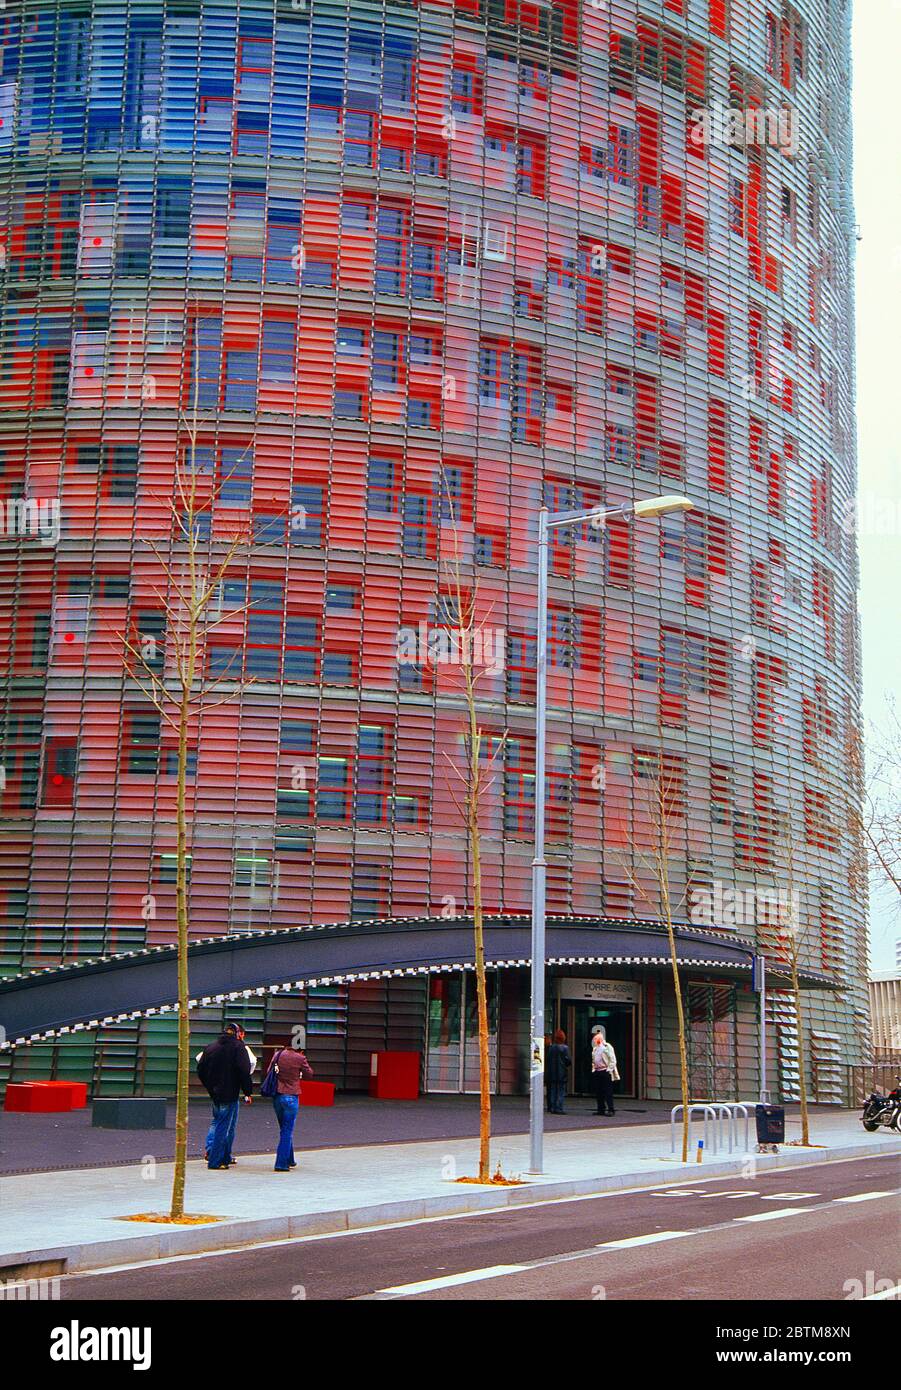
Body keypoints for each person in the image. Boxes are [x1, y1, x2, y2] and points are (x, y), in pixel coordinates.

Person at [198, 1024, 257, 1166]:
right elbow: (244, 1071)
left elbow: (201, 1069)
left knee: (217, 1121)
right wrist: (247, 1092)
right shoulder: (239, 1048)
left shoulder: (211, 1047)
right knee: (225, 1126)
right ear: (238, 1034)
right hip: (230, 1092)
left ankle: (215, 1153)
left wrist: (210, 1087)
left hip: (215, 1093)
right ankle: (217, 1159)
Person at [263, 1040, 314, 1172]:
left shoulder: (278, 1054)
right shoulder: (300, 1058)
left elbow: (269, 1071)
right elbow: (309, 1074)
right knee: (287, 1130)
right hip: (291, 1095)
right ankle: (281, 1164)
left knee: (284, 1128)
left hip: (278, 1095)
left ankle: (289, 1159)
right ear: (300, 1050)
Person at [591, 1026, 619, 1117]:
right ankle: (601, 1109)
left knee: (607, 1091)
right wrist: (594, 1069)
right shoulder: (595, 1049)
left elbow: (613, 1060)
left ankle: (611, 1109)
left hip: (605, 1071)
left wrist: (608, 1069)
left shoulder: (607, 1047)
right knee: (599, 1091)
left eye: (597, 1039)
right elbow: (594, 1059)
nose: (595, 1040)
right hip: (598, 1071)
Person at [545, 1028, 571, 1114]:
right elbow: (568, 1061)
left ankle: (552, 1107)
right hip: (561, 1072)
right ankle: (559, 1108)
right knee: (560, 1091)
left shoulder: (551, 1048)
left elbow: (548, 1059)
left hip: (552, 1072)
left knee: (553, 1090)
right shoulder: (565, 1048)